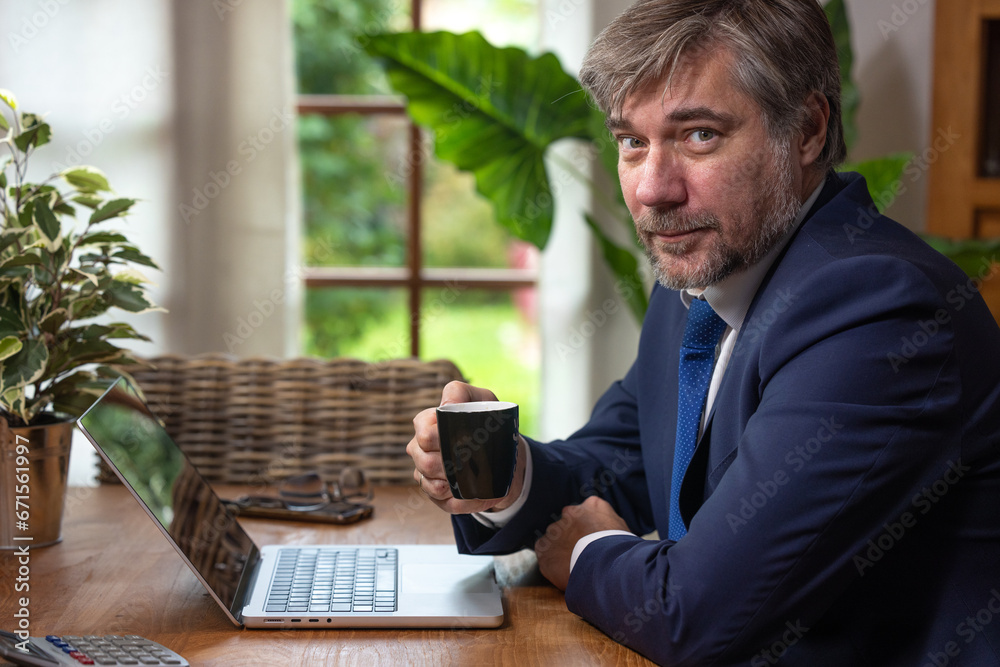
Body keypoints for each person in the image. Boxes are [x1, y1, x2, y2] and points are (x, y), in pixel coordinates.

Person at [407, 0, 1000, 664]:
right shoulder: (699, 280)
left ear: (806, 128)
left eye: (699, 135)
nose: (654, 190)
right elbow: (614, 466)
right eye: (633, 141)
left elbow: (696, 612)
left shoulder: (878, 311)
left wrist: (583, 552)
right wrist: (507, 473)